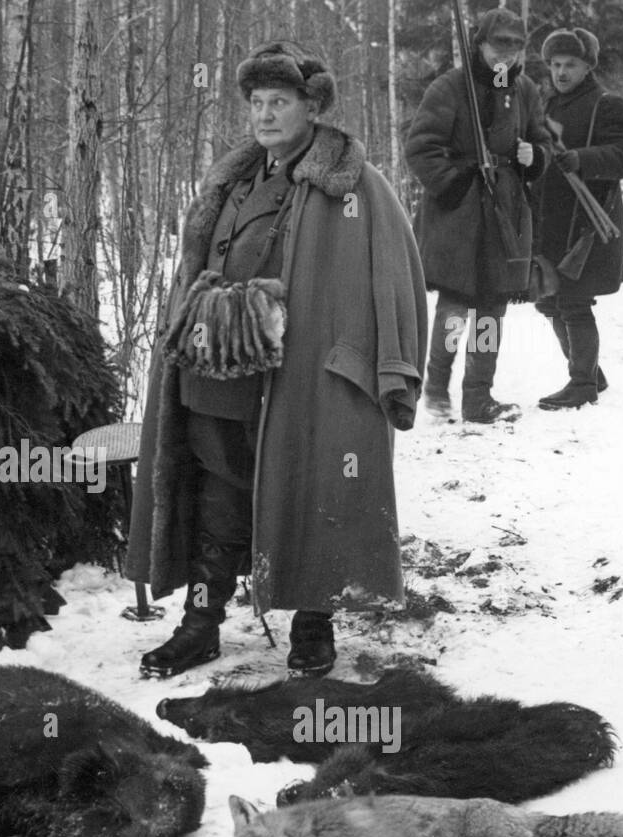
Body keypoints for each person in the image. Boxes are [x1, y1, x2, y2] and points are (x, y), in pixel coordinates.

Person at [125, 41, 427, 680]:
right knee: (215, 492)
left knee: (313, 489)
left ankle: (312, 625)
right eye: (256, 103)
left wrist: (394, 368)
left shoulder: (355, 185)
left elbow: (397, 276)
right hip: (217, 367)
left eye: (279, 102)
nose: (264, 116)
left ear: (311, 107)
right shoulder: (230, 180)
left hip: (306, 375)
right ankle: (200, 624)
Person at [405, 7, 553, 423]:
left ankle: (478, 396)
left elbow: (542, 141)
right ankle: (435, 388)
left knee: (491, 307)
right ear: (479, 45)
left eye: (514, 47)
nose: (504, 56)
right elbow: (421, 148)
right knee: (454, 304)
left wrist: (533, 156)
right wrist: (455, 184)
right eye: (497, 46)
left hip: (505, 214)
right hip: (458, 212)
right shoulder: (450, 88)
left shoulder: (523, 90)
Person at [533, 28, 623, 410]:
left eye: (570, 65)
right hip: (550, 222)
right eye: (556, 65)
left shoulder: (606, 104)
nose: (561, 73)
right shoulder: (547, 106)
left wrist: (583, 159)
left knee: (574, 302)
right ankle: (590, 371)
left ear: (587, 66)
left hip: (588, 222)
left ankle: (581, 384)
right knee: (547, 300)